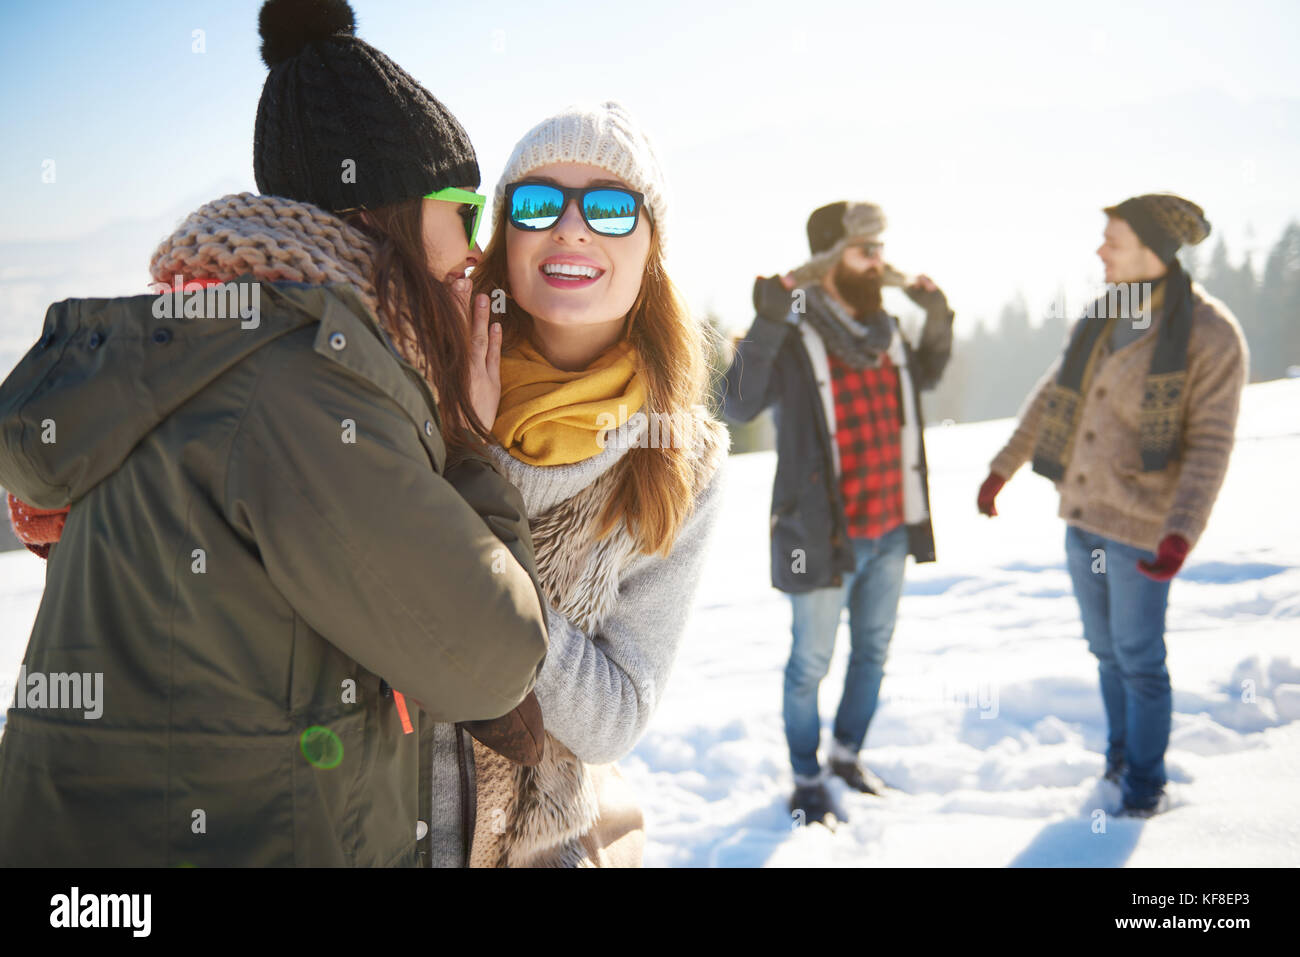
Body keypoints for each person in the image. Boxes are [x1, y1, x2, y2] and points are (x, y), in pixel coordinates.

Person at [0, 0, 548, 867]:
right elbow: (491, 658)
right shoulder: (305, 388)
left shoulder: (213, 349)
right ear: (383, 213)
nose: (474, 249)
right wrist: (467, 441)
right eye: (463, 209)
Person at [464, 101, 729, 867]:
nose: (571, 229)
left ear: (652, 250)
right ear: (504, 238)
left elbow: (614, 716)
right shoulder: (426, 382)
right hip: (376, 829)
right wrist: (460, 437)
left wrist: (469, 558)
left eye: (612, 208)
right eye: (539, 203)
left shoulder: (681, 462)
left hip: (531, 849)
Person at [978, 193, 1248, 817]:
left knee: (1140, 660)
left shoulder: (1210, 334)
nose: (1100, 250)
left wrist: (1180, 533)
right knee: (1105, 652)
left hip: (1143, 529)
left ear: (1152, 250)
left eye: (1113, 240)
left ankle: (1144, 786)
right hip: (1083, 518)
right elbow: (1054, 394)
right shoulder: (1105, 313)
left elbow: (1210, 444)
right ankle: (1120, 756)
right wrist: (1003, 468)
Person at [722, 201, 955, 827]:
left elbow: (929, 374)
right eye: (864, 250)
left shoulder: (887, 333)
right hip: (821, 539)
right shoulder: (795, 338)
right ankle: (806, 776)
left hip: (890, 528)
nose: (878, 262)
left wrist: (938, 316)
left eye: (881, 249)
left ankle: (847, 755)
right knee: (810, 665)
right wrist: (768, 319)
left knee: (873, 651)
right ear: (829, 262)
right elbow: (735, 404)